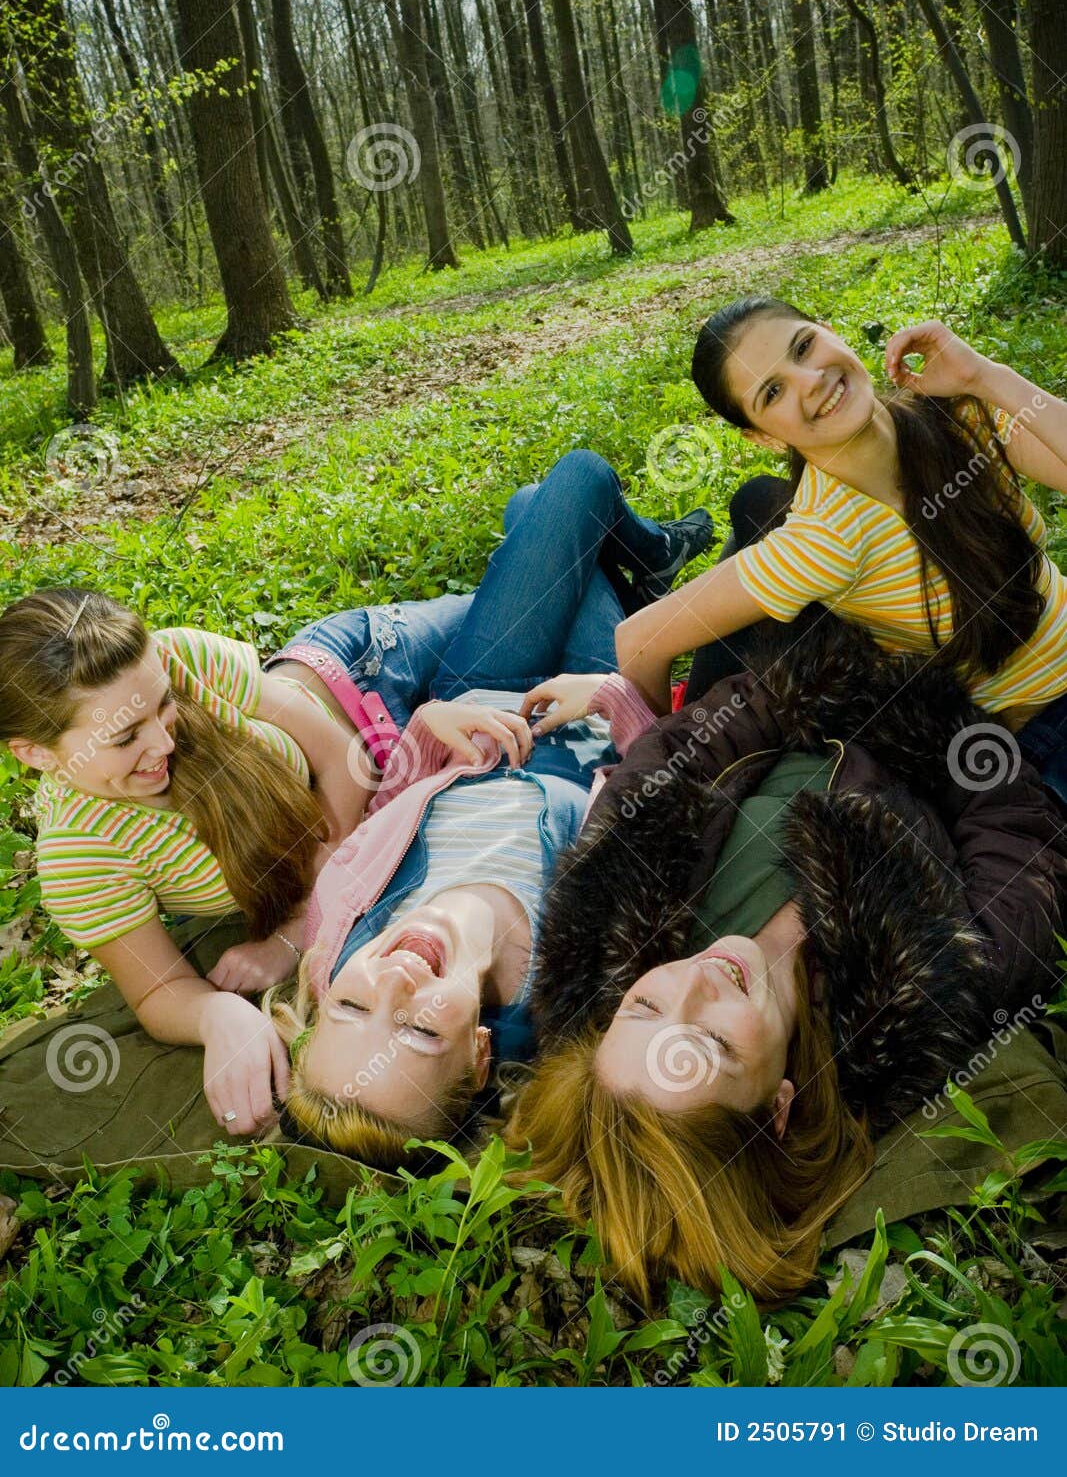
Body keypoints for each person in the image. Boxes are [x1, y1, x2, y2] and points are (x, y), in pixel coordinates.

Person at [0, 450, 709, 1140]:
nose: (164, 741)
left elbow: (354, 770)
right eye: (125, 739)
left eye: (163, 706)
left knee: (557, 517)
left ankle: (608, 561)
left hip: (373, 682)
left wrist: (305, 913)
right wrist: (219, 1015)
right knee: (547, 520)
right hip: (511, 735)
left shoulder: (182, 662)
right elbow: (156, 991)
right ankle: (619, 563)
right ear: (34, 756)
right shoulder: (82, 857)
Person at [505, 610, 1067, 1306]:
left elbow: (680, 748)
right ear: (777, 1109)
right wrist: (925, 713)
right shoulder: (937, 998)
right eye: (710, 1041)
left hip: (796, 684)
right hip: (971, 720)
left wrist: (815, 684)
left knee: (763, 515)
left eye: (643, 1006)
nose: (694, 983)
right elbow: (1015, 824)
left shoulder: (611, 910)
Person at [271, 452, 711, 1165]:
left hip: (483, 683)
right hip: (593, 715)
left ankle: (643, 554)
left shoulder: (343, 927)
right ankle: (644, 556)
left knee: (571, 484)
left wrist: (428, 725)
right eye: (418, 1033)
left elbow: (389, 806)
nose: (395, 984)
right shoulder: (569, 973)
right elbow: (671, 809)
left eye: (350, 1009)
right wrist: (611, 702)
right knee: (545, 504)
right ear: (478, 1057)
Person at [617, 303, 1067, 802]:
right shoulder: (824, 538)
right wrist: (652, 759)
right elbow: (640, 642)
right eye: (773, 391)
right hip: (1041, 735)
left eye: (804, 346)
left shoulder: (956, 415)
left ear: (831, 331)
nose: (809, 380)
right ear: (762, 436)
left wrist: (984, 375)